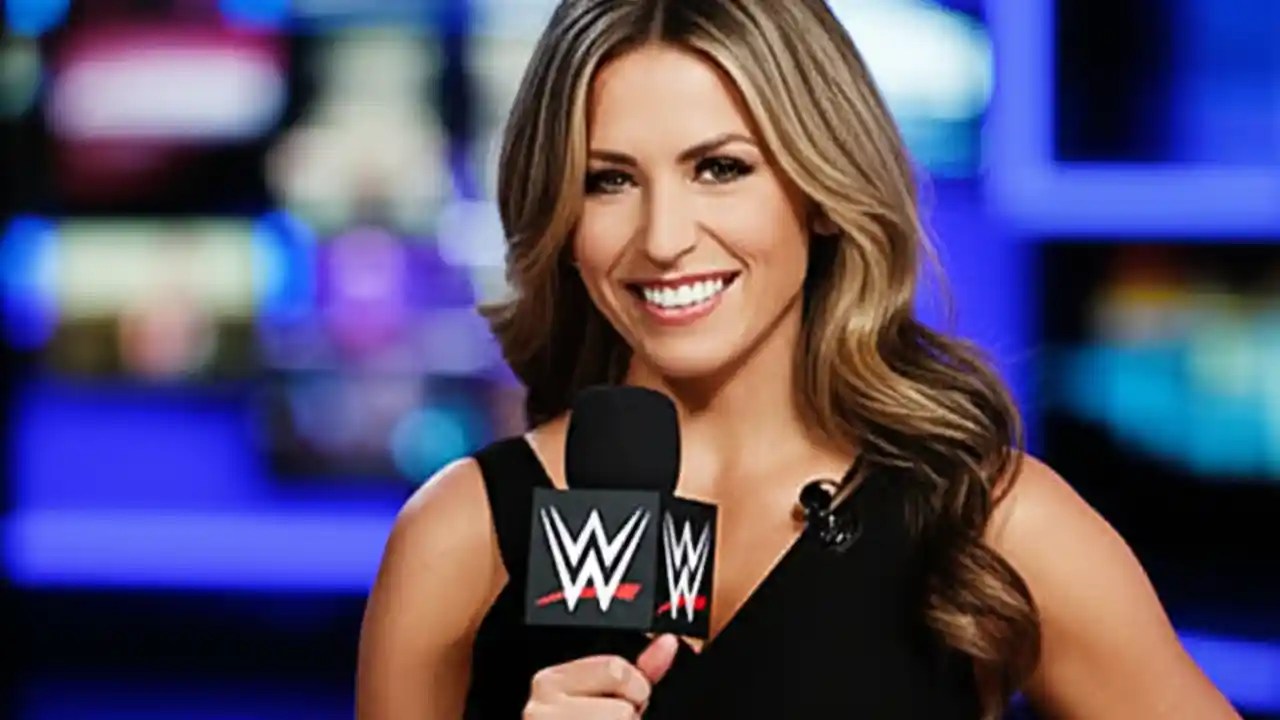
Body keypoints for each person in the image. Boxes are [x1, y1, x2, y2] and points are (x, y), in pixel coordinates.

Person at [355, 0, 1241, 717]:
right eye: (609, 179)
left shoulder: (985, 520)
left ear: (818, 189)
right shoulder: (458, 538)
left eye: (720, 169)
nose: (663, 239)